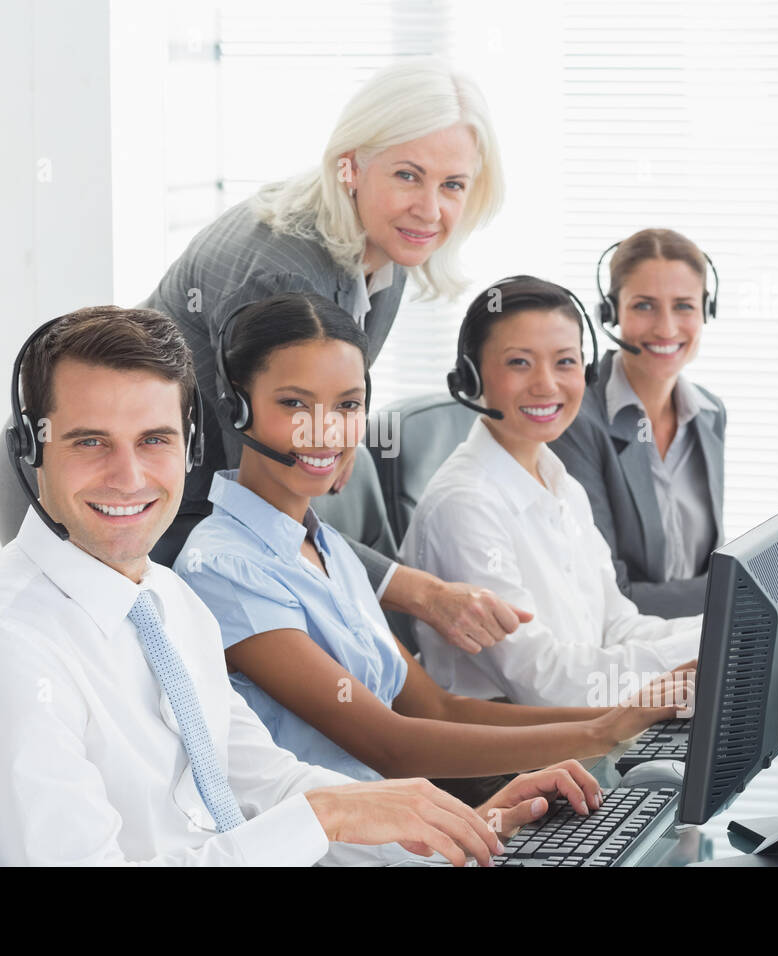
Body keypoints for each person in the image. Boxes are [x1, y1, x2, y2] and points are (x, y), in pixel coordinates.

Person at [0, 305, 608, 867]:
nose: (128, 476)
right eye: (90, 441)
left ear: (187, 446)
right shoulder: (1, 650)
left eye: (153, 440)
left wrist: (446, 833)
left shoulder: (164, 601)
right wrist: (327, 816)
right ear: (32, 451)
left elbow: (262, 783)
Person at [173, 292, 688, 803]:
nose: (325, 430)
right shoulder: (224, 567)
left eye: (348, 404)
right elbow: (390, 744)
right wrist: (603, 733)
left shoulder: (327, 548)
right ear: (237, 405)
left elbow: (438, 710)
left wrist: (629, 716)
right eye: (294, 403)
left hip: (399, 835)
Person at [138, 58, 527, 659]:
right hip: (132, 493)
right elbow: (266, 497)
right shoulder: (282, 273)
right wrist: (422, 594)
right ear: (352, 165)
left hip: (213, 490)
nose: (431, 210)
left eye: (453, 184)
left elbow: (305, 457)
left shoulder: (388, 255)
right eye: (408, 175)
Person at [399, 277, 701, 708]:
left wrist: (725, 634)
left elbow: (616, 627)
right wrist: (705, 652)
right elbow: (547, 683)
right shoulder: (465, 504)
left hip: (583, 729)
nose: (546, 384)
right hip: (508, 757)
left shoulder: (561, 484)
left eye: (564, 362)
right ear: (471, 374)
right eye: (519, 363)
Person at [550, 229, 726, 618]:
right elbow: (608, 596)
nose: (666, 328)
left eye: (683, 306)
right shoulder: (576, 420)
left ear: (706, 311)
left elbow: (712, 563)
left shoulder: (710, 415)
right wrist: (735, 591)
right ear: (612, 313)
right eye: (644, 306)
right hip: (623, 654)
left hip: (696, 643)